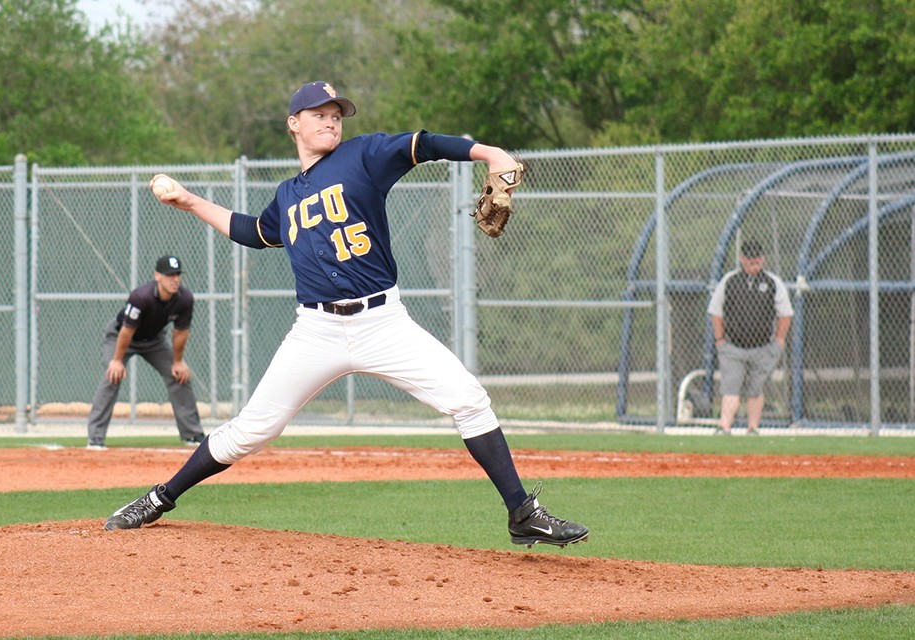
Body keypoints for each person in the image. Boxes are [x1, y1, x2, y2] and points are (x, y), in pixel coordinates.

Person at [102, 80, 589, 550]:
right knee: (253, 430)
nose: (331, 123)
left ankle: (522, 515)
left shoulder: (365, 156)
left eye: (337, 116)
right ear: (294, 123)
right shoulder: (288, 195)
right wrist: (188, 201)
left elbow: (426, 144)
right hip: (315, 330)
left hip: (383, 323)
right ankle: (159, 497)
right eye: (320, 115)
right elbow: (253, 231)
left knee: (468, 399)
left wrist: (489, 154)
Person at [85, 255, 205, 450]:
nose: (175, 279)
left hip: (155, 340)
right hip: (121, 337)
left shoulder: (184, 298)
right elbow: (126, 331)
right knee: (112, 376)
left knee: (179, 377)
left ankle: (192, 435)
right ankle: (95, 437)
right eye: (169, 275)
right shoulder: (141, 297)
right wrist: (116, 360)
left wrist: (178, 361)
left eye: (177, 275)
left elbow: (181, 333)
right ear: (157, 276)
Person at [707, 239, 794, 435]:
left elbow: (785, 313)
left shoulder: (772, 282)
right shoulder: (730, 281)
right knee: (731, 388)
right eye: (750, 261)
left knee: (755, 388)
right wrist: (720, 339)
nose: (754, 264)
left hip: (763, 347)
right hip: (733, 347)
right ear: (742, 259)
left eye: (757, 260)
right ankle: (724, 427)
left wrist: (779, 340)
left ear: (763, 259)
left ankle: (752, 428)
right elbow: (715, 312)